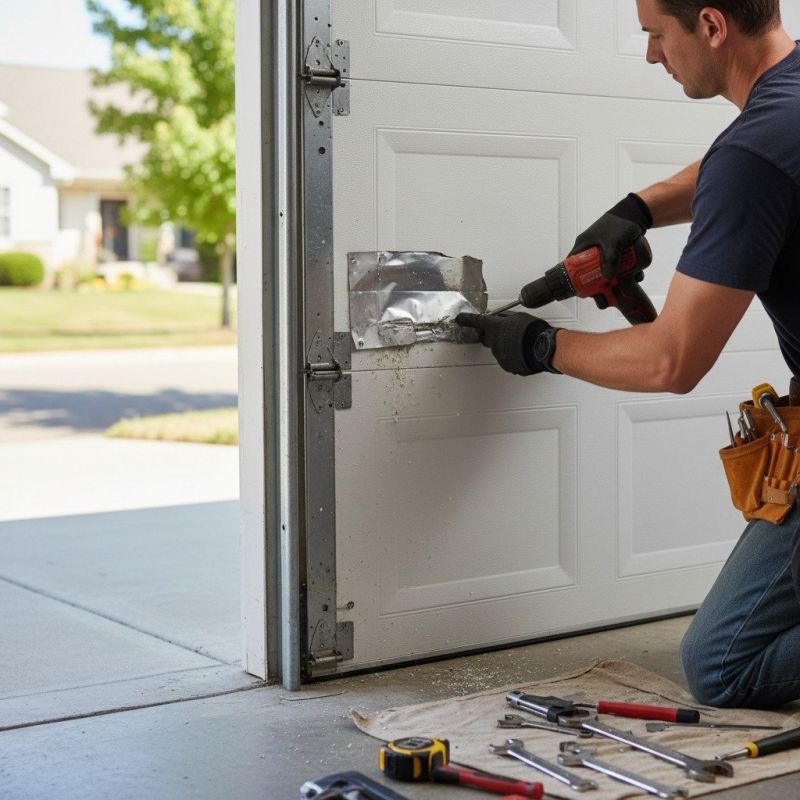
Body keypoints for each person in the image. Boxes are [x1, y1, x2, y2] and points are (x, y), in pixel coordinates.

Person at [457, 0, 800, 709]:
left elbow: (671, 362)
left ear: (710, 26)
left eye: (654, 35)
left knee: (723, 666)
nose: (650, 56)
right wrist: (638, 209)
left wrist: (543, 346)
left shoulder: (753, 155)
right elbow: (753, 158)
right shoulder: (780, 111)